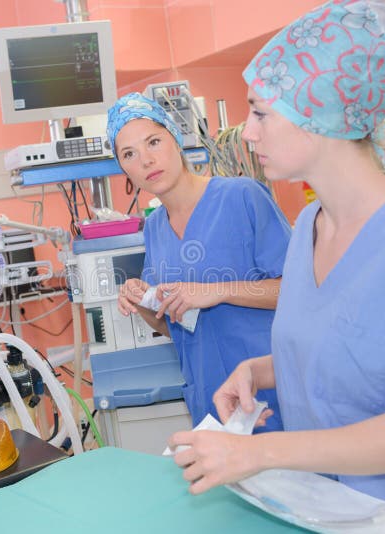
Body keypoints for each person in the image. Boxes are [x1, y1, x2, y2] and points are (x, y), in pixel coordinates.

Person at [167, 1, 385, 532]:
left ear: (319, 112)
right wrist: (259, 370)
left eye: (259, 113)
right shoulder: (307, 231)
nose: (247, 135)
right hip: (328, 513)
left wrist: (261, 454)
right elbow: (347, 352)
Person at [108, 93, 292, 429]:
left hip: (270, 391)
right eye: (129, 154)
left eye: (153, 142)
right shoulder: (154, 228)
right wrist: (145, 302)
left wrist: (217, 291)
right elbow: (172, 324)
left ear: (175, 140)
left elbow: (298, 292)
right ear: (123, 170)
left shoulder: (242, 197)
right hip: (210, 400)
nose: (146, 160)